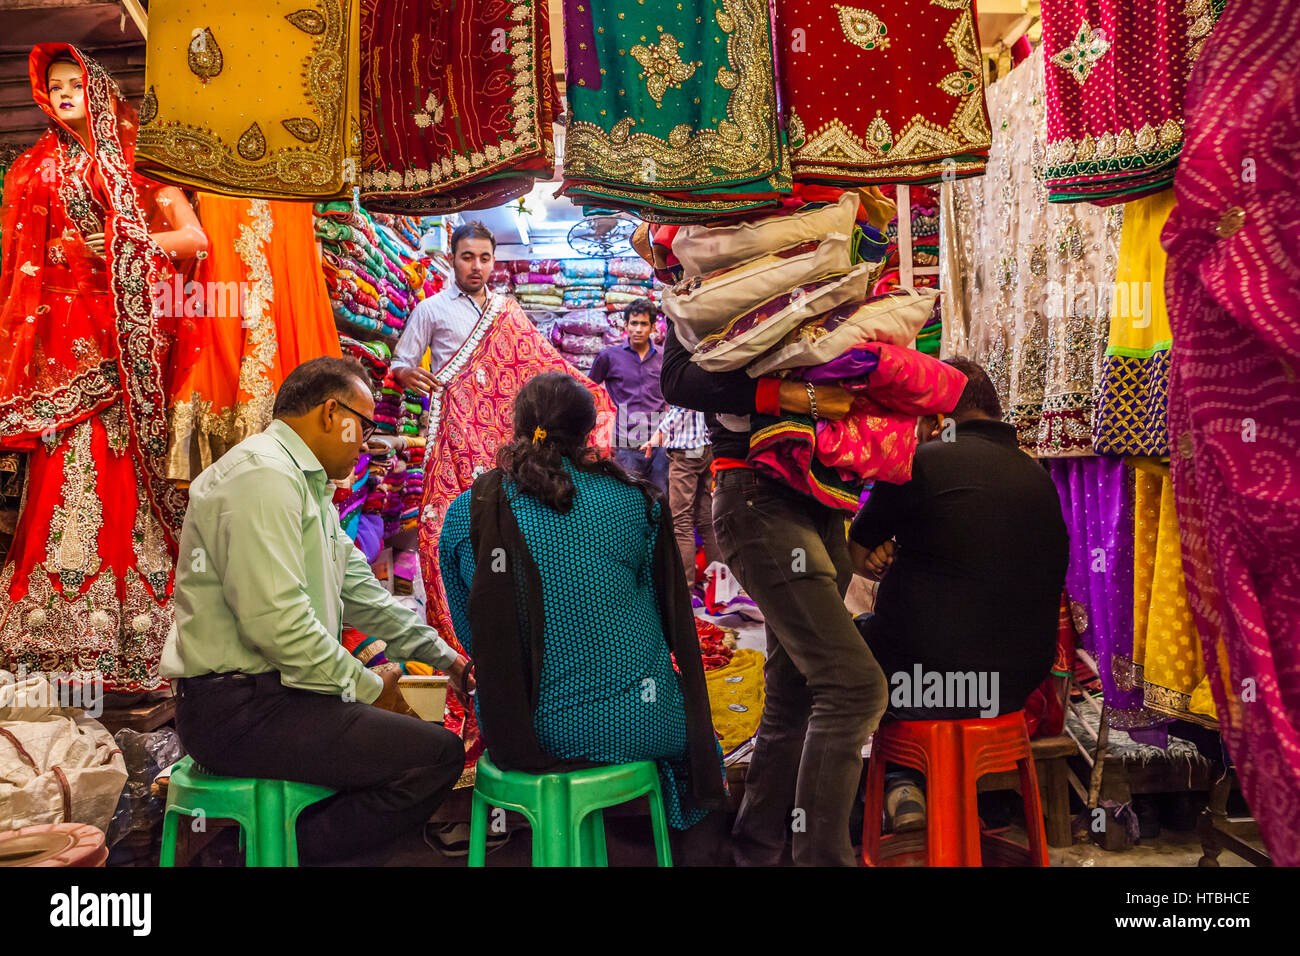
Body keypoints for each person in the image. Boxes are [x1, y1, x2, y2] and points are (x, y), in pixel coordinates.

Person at [160, 357, 473, 865]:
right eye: (364, 425)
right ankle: (258, 856)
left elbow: (365, 596)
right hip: (238, 710)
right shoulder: (261, 477)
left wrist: (448, 661)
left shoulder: (308, 488)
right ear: (331, 413)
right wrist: (372, 689)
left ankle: (272, 847)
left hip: (282, 697)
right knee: (433, 758)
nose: (367, 441)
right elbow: (278, 626)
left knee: (422, 748)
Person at [439, 372, 727, 854]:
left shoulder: (471, 510)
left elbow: (475, 634)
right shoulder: (635, 501)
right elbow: (664, 614)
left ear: (517, 425)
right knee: (692, 745)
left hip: (524, 731)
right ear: (590, 432)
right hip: (641, 722)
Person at [0, 45, 208, 695]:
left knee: (128, 487)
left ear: (96, 86)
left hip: (129, 348)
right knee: (64, 482)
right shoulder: (34, 168)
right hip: (59, 357)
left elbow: (193, 241)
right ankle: (54, 637)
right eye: (52, 86)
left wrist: (129, 240)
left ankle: (138, 635)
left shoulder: (138, 160)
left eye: (72, 83)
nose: (61, 94)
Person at [661, 320, 890, 867]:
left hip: (822, 502)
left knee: (795, 690)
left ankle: (756, 850)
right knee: (854, 687)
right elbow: (680, 380)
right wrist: (792, 395)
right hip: (759, 494)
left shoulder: (828, 268)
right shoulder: (717, 275)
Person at [387, 220, 613, 770]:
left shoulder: (509, 310)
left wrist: (579, 396)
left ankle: (515, 630)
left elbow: (531, 365)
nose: (478, 267)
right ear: (451, 258)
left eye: (486, 258)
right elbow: (399, 363)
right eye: (468, 257)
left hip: (498, 438)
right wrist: (405, 375)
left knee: (509, 529)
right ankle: (460, 641)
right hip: (454, 435)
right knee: (454, 533)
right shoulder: (432, 311)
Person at [848, 358, 1069, 829]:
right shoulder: (1037, 474)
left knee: (847, 647)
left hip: (930, 684)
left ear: (937, 416)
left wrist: (884, 549)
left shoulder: (919, 462)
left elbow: (857, 553)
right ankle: (927, 787)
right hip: (1014, 686)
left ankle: (895, 783)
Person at [588, 298, 669, 493]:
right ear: (625, 326)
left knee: (660, 496)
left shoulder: (664, 357)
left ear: (652, 328)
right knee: (628, 497)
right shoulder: (609, 356)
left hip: (659, 441)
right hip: (625, 441)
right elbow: (589, 389)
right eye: (634, 323)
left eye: (644, 324)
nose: (638, 329)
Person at [653, 404, 721, 592]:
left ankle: (685, 592)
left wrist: (658, 433)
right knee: (706, 519)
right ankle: (720, 588)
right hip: (707, 445)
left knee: (681, 522)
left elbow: (682, 406)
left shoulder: (684, 375)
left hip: (686, 449)